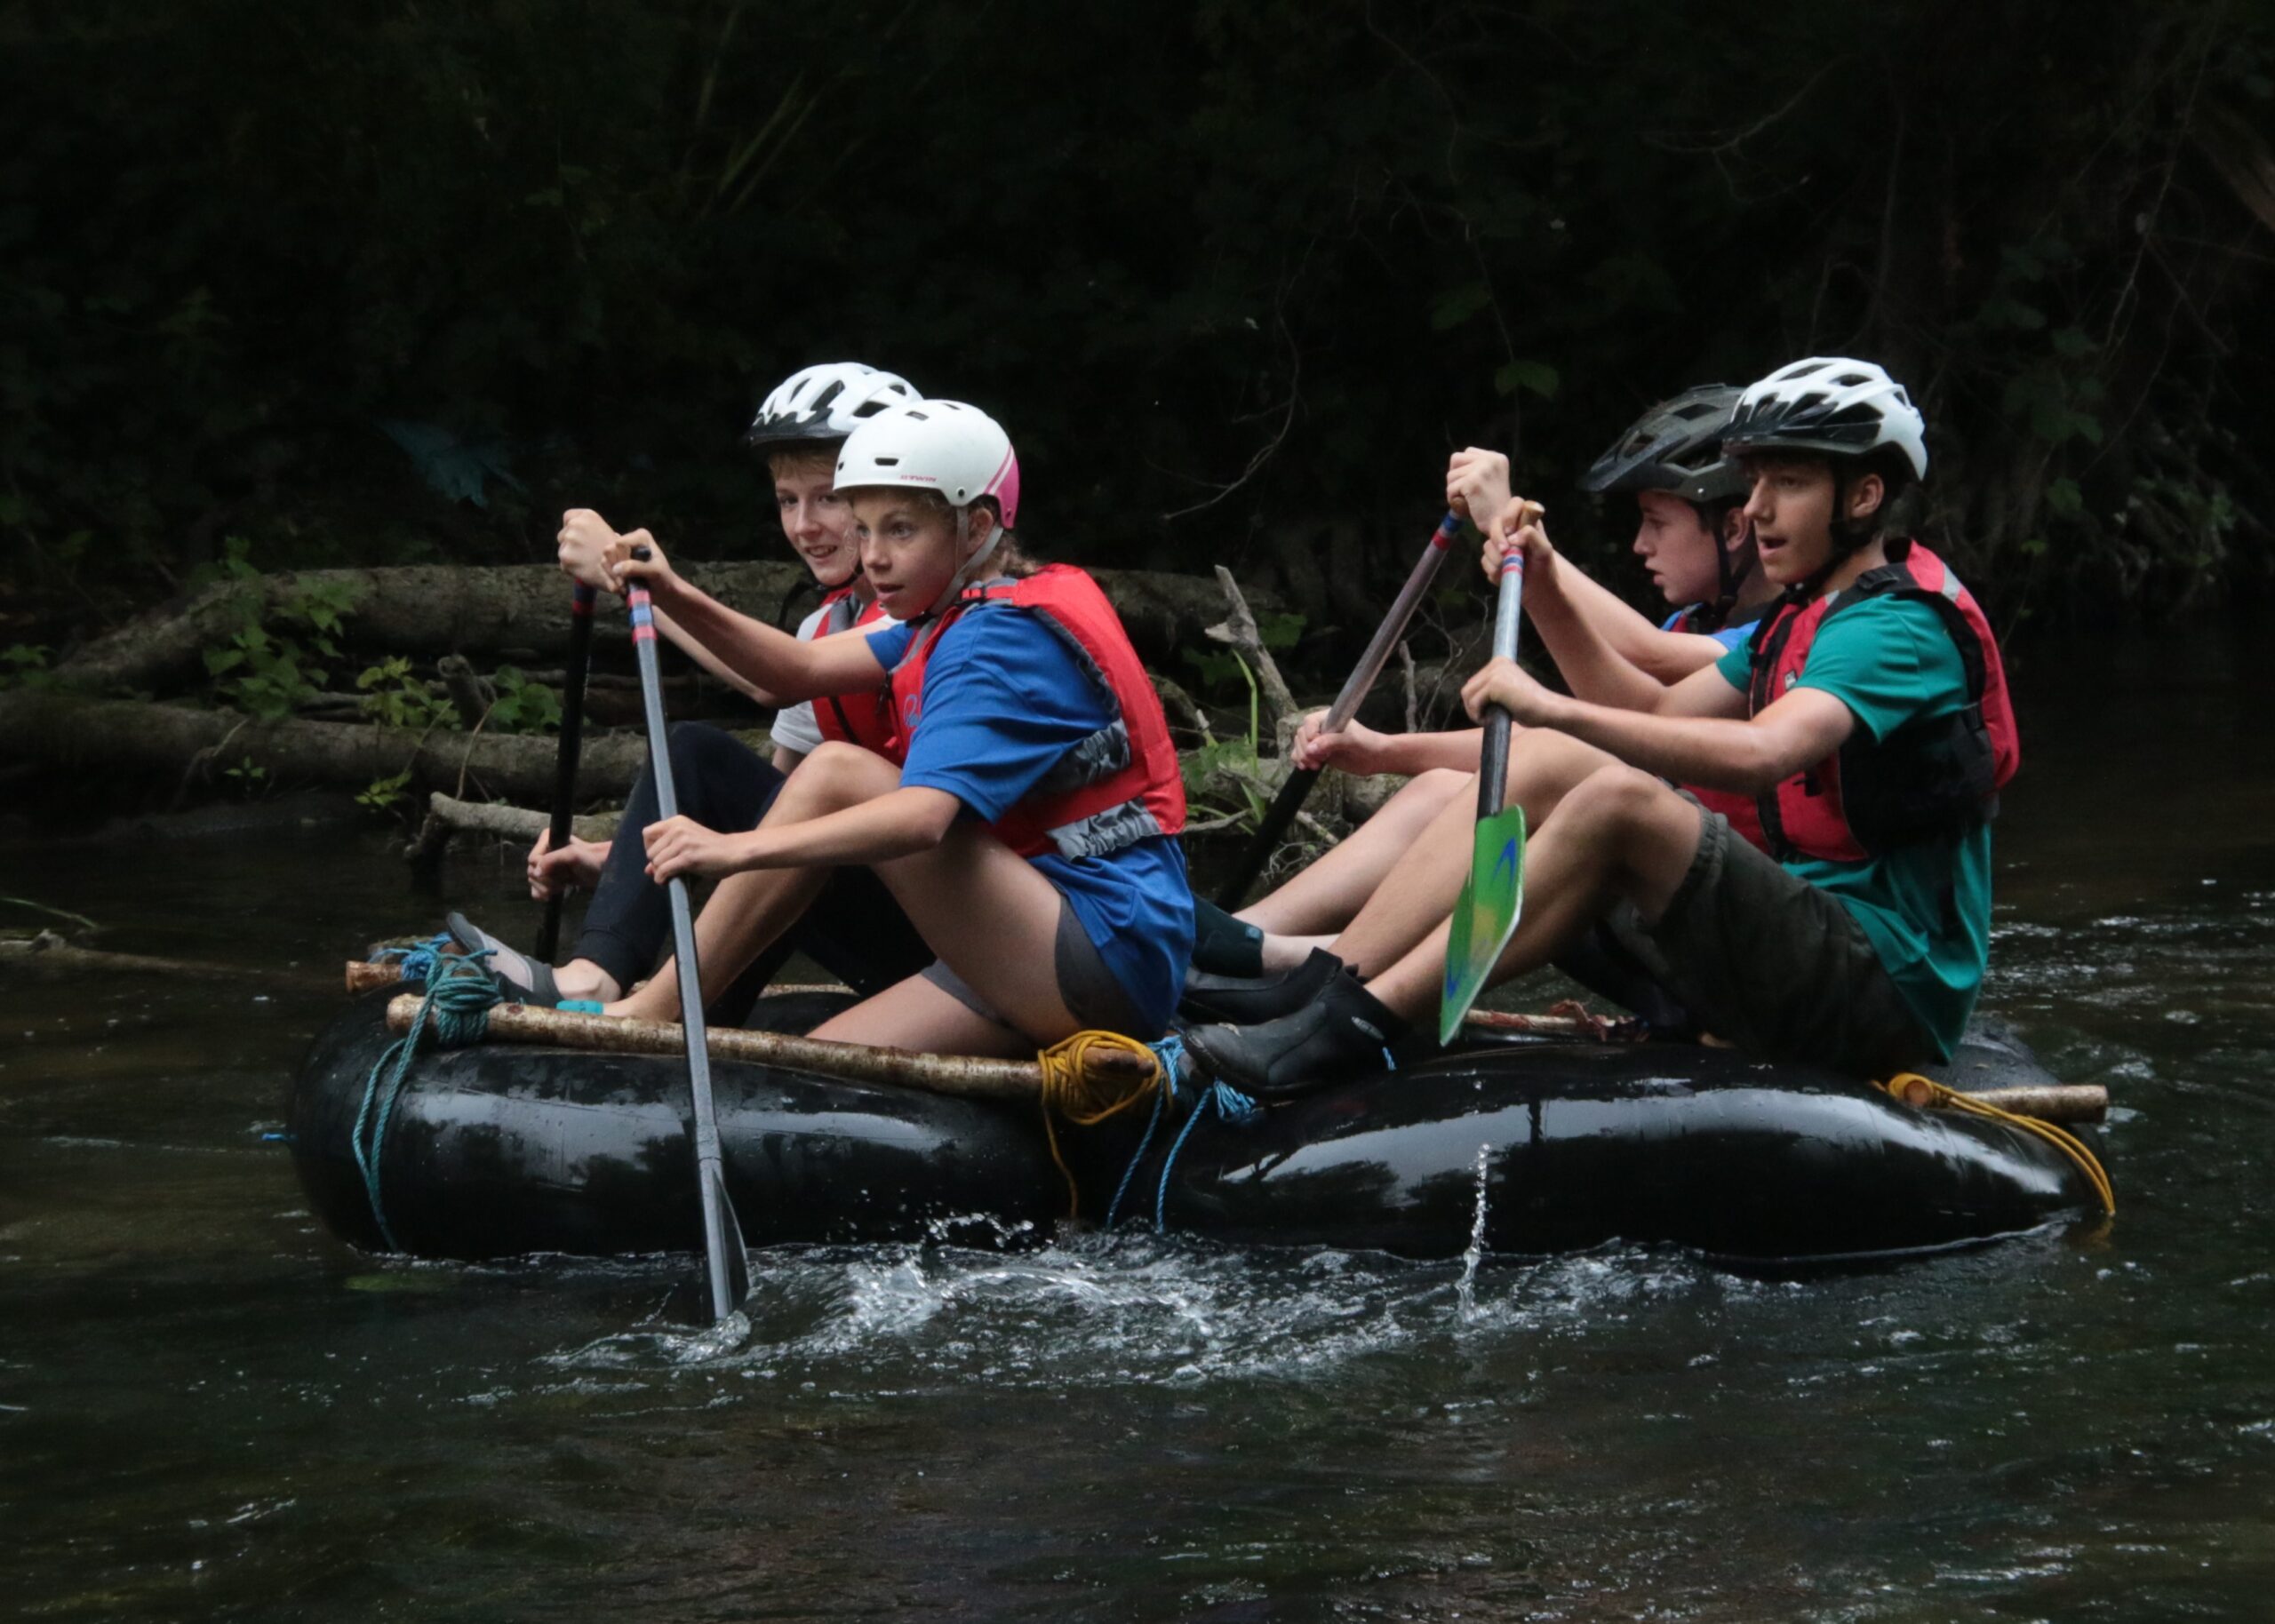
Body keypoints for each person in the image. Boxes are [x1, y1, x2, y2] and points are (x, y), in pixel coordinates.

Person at [1184, 356, 2018, 1095]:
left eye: (1788, 484)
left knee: (1616, 799)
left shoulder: (1897, 627)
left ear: (1864, 496)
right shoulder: (1803, 616)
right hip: (1803, 944)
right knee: (1548, 765)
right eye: (1755, 483)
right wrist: (1540, 577)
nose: (1757, 510)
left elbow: (1766, 755)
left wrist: (1546, 703)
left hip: (1883, 987)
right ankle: (1333, 982)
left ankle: (1355, 1023)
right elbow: (1650, 706)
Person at [597, 399, 1196, 1055]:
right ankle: (663, 1010)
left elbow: (921, 820)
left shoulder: (996, 642)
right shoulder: (959, 609)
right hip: (1048, 929)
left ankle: (654, 1012)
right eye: (865, 529)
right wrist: (670, 590)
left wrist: (734, 848)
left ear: (976, 528)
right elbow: (796, 669)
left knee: (838, 770)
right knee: (824, 1065)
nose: (874, 557)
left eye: (901, 530)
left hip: (1101, 955)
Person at [1186, 385, 1775, 1023]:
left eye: (1657, 523)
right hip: (1644, 905)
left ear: (1733, 527)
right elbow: (1556, 749)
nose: (1639, 545)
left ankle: (1317, 970)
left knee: (1555, 792)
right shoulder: (1691, 624)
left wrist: (1512, 527)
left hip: (1705, 925)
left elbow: (1626, 680)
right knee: (1441, 788)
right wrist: (1383, 752)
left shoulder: (1774, 644)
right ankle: (1239, 938)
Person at [447, 362, 932, 1014]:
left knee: (696, 747)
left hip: (948, 932)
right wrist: (624, 866)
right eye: (789, 501)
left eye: (829, 498)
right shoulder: (828, 621)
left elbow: (778, 678)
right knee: (701, 758)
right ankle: (619, 976)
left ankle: (603, 988)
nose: (805, 526)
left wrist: (636, 583)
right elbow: (768, 811)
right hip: (872, 908)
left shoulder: (936, 616)